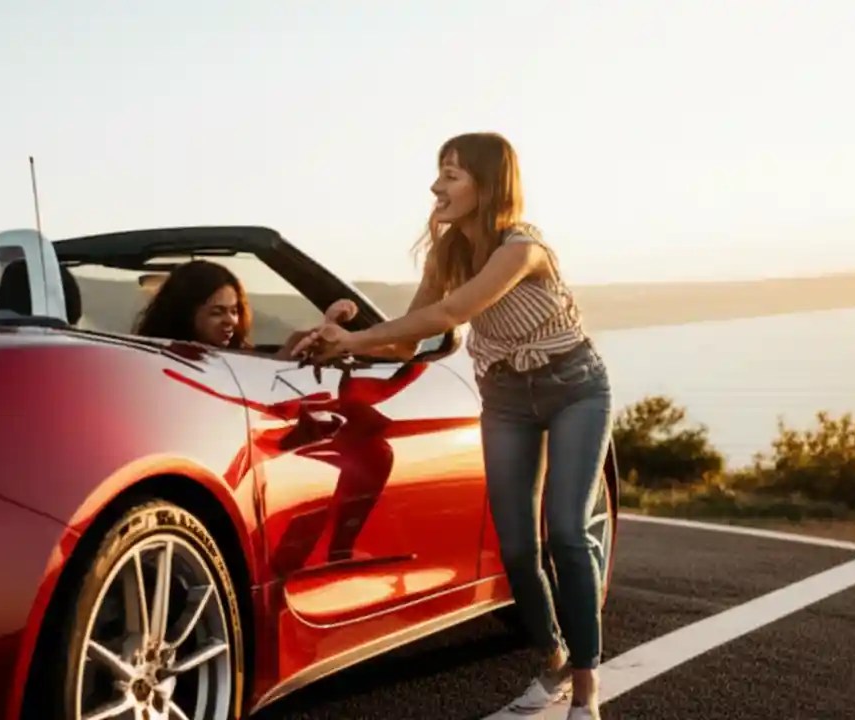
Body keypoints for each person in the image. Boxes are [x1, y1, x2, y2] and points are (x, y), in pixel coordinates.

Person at [292, 132, 613, 719]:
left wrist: (357, 337)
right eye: (440, 173)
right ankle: (553, 662)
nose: (437, 186)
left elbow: (450, 315)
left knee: (566, 532)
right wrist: (339, 336)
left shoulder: (523, 248)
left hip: (575, 387)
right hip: (507, 398)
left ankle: (588, 688)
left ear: (488, 186)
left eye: (452, 175)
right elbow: (411, 337)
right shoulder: (445, 256)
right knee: (517, 547)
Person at [134, 258, 359, 357]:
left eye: (234, 311)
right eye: (216, 312)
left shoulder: (231, 356)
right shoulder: (168, 364)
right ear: (184, 313)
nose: (231, 321)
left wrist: (325, 330)